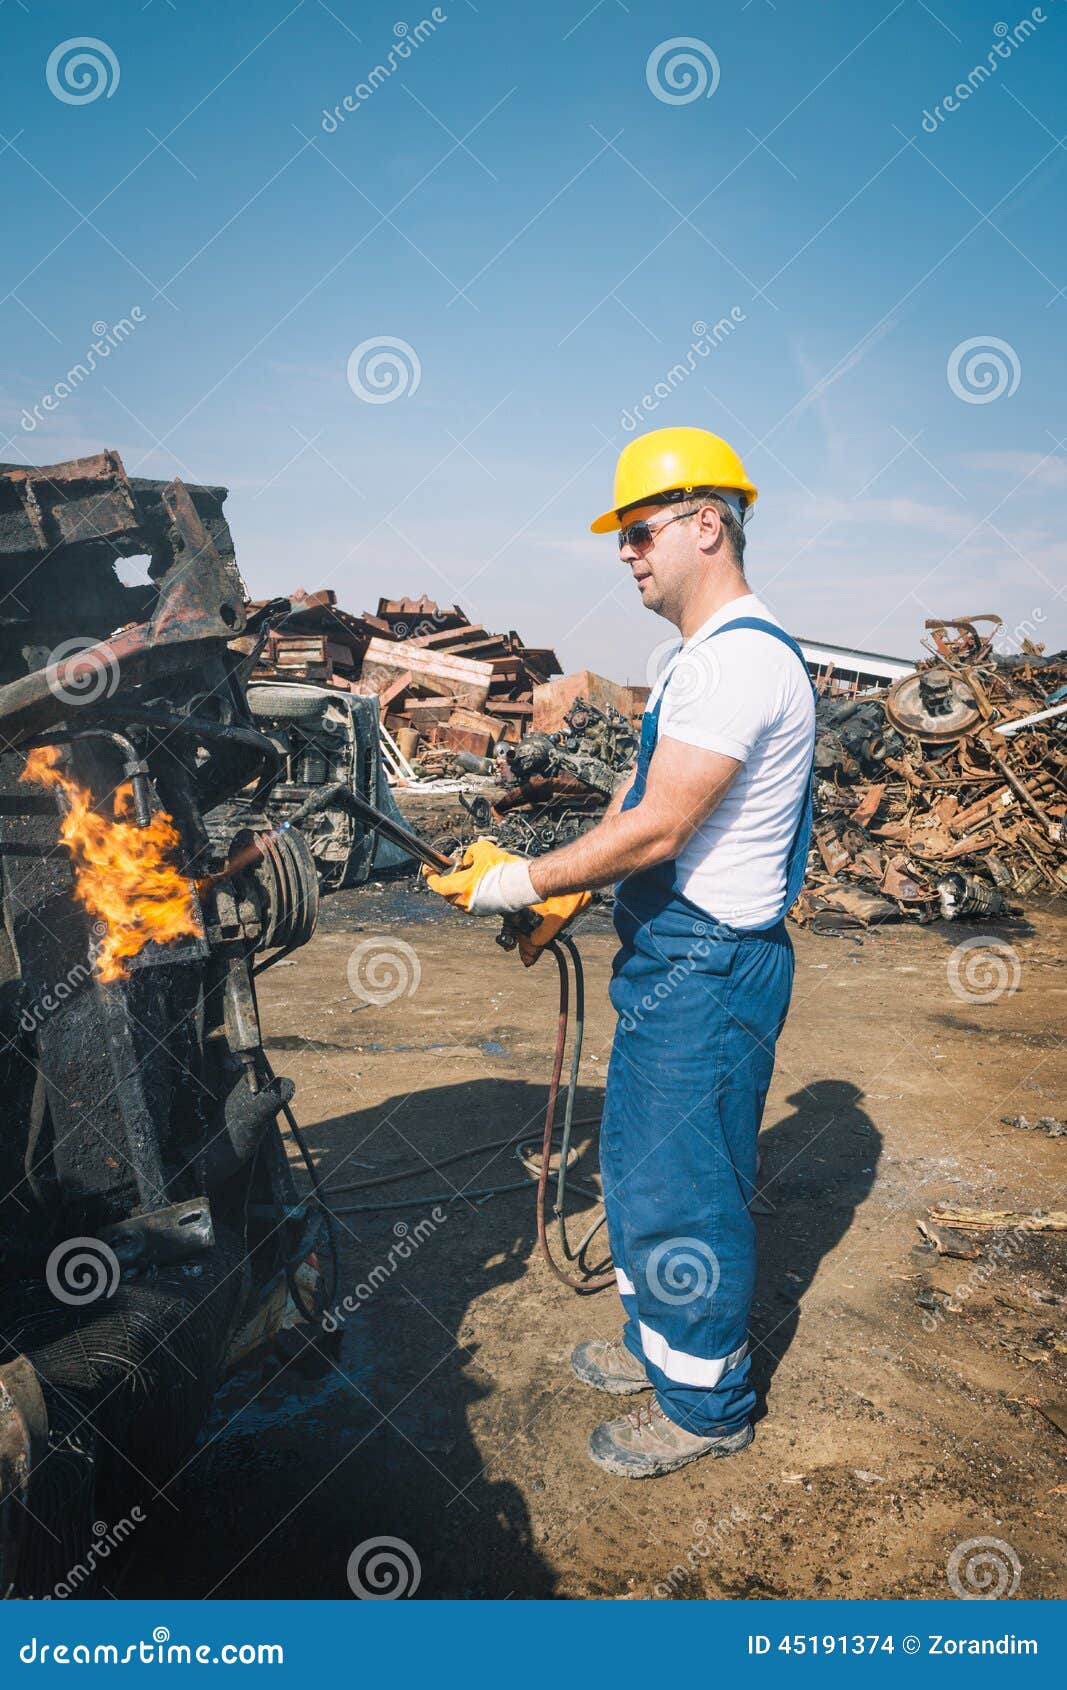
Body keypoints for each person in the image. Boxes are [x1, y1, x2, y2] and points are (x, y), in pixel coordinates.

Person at [426, 426, 815, 1478]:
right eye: (619, 538)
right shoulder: (698, 659)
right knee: (643, 1172)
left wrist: (520, 880)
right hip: (669, 959)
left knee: (686, 1188)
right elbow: (632, 800)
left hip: (710, 966)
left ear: (705, 523)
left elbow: (660, 827)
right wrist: (569, 882)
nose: (625, 552)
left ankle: (707, 1405)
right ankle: (660, 1345)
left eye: (638, 530)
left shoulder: (738, 661)